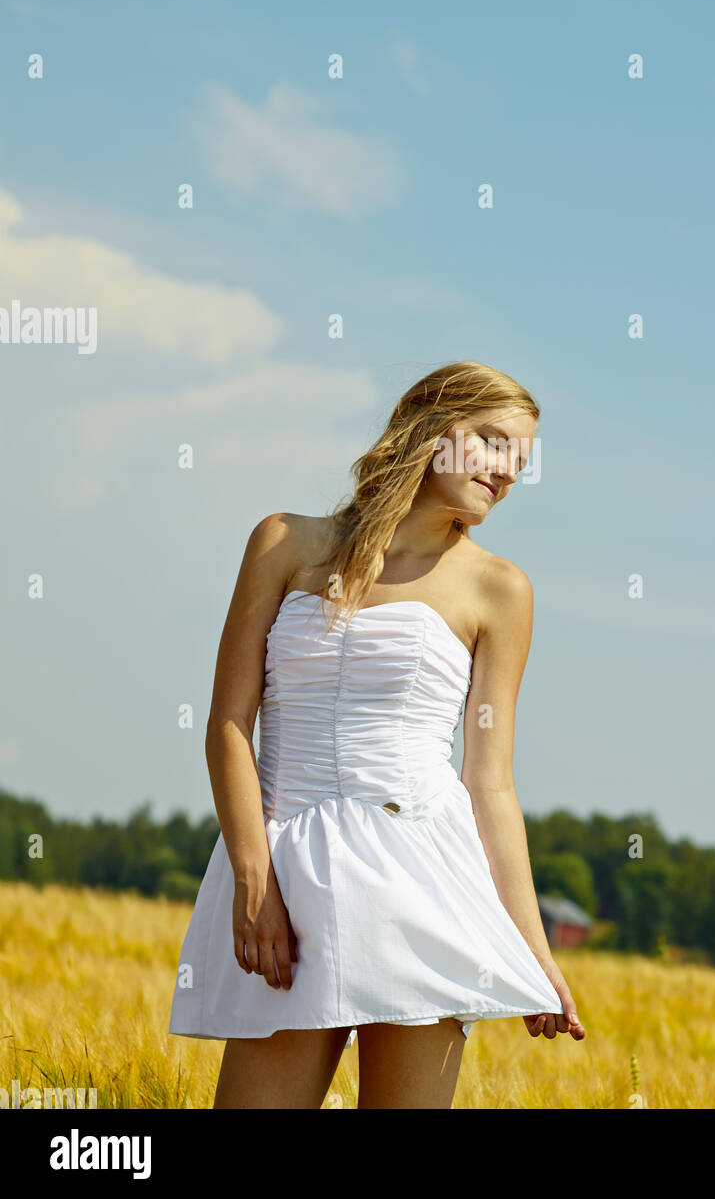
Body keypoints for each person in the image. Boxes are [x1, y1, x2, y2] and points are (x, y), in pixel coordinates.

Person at [168, 360, 585, 1108]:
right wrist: (254, 878)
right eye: (490, 443)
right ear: (430, 428)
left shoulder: (499, 588)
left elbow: (488, 782)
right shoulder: (283, 542)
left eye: (519, 462)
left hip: (423, 877)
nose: (505, 472)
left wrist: (532, 946)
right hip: (286, 867)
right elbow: (228, 725)